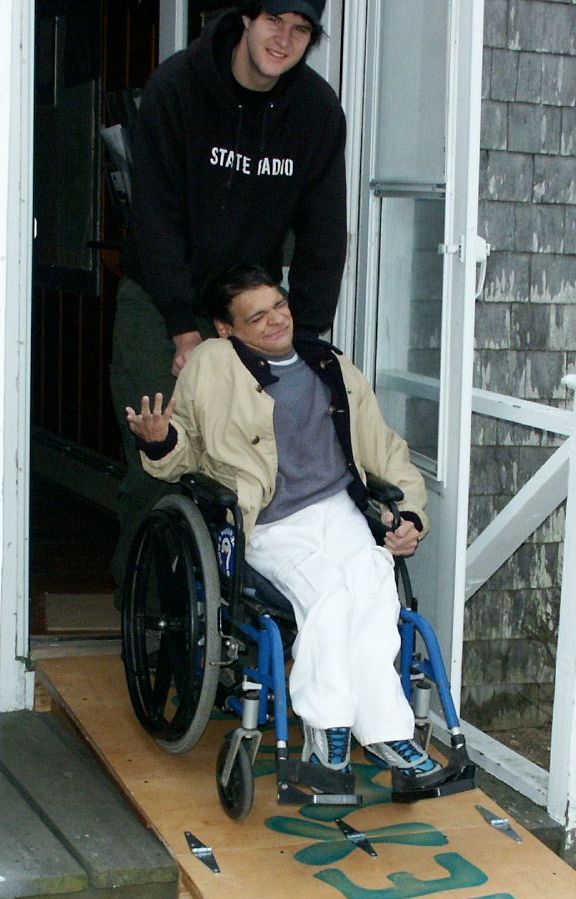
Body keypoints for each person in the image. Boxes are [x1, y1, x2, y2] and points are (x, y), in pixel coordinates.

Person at [125, 265, 439, 782]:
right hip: (267, 521)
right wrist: (159, 439)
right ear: (227, 329)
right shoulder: (211, 366)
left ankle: (386, 733)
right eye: (257, 316)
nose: (276, 321)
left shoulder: (331, 363)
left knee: (375, 591)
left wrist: (409, 515)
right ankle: (326, 729)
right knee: (330, 597)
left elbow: (387, 452)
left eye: (279, 306)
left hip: (338, 511)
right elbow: (186, 451)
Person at [109, 0, 347, 588]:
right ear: (246, 18)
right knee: (157, 456)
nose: (284, 40)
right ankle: (148, 614)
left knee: (251, 458)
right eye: (274, 21)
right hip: (160, 299)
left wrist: (305, 342)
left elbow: (324, 233)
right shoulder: (178, 88)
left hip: (246, 309)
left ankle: (230, 625)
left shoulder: (315, 112)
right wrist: (183, 327)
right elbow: (155, 217)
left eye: (301, 31)